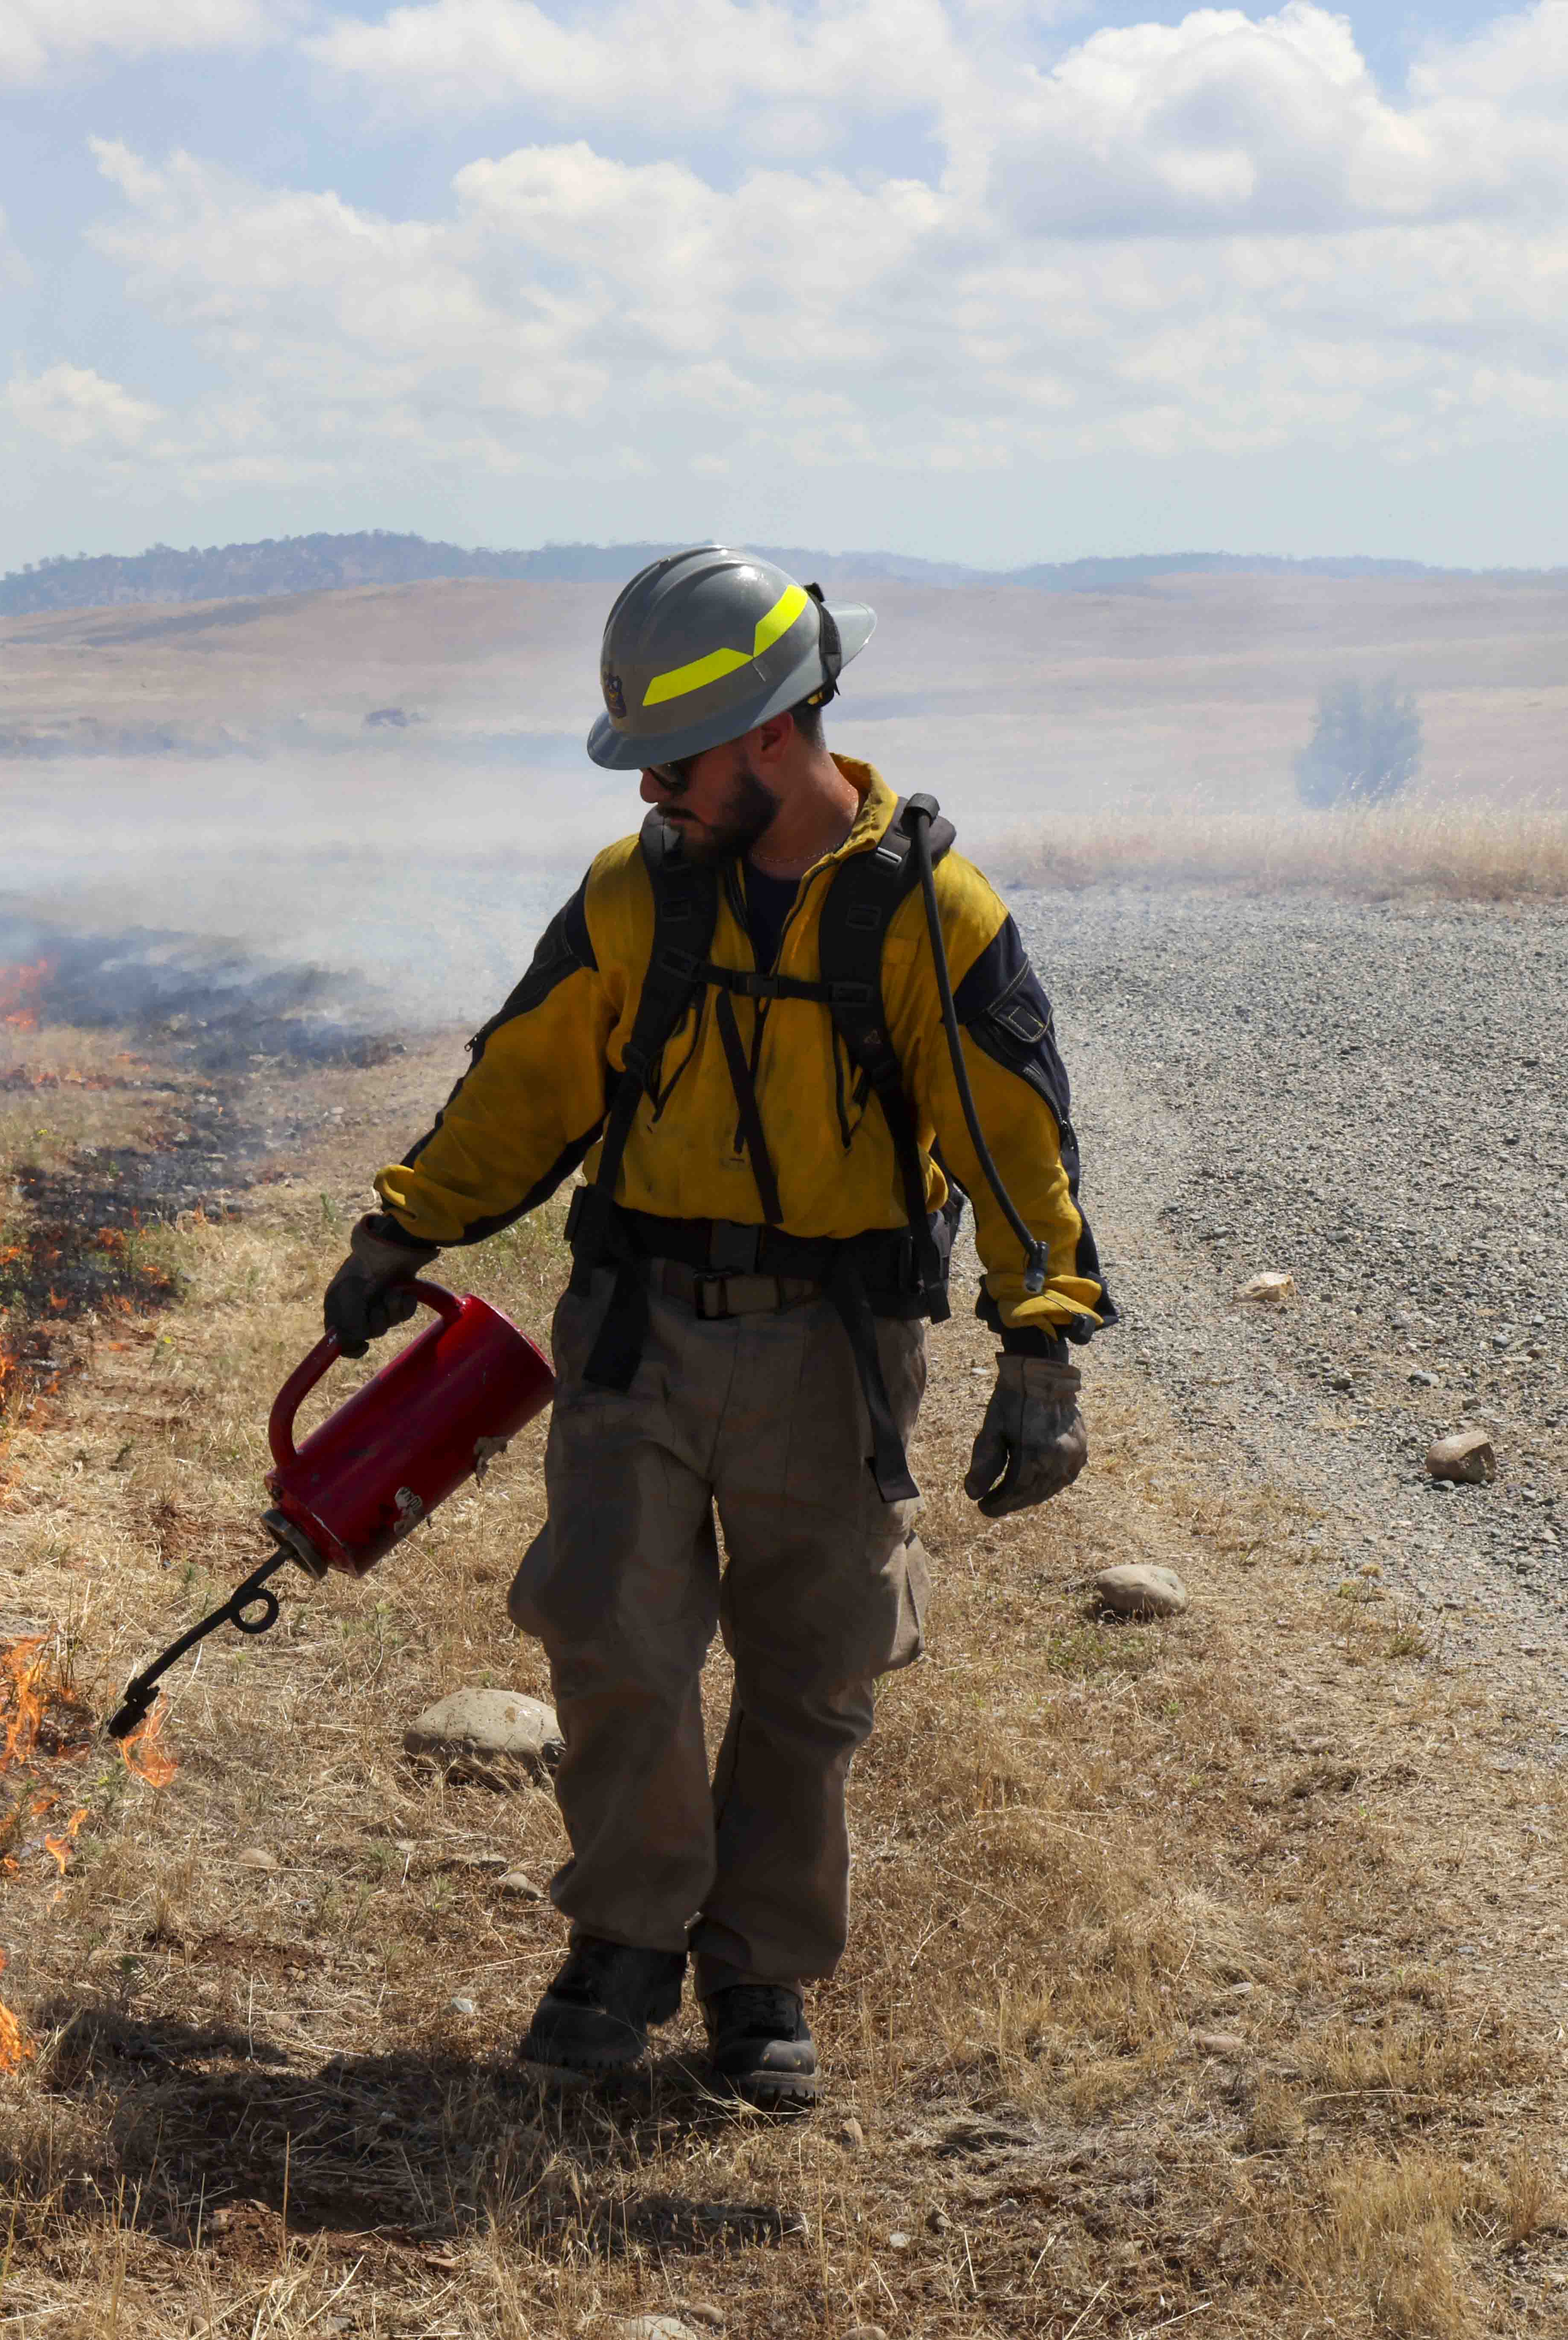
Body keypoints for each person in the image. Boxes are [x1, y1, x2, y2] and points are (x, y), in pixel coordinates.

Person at [321, 545, 1110, 2109]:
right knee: (613, 1635)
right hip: (639, 1332)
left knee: (814, 1675)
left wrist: (1042, 1345)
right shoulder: (637, 896)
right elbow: (529, 1082)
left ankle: (761, 1976)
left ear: (771, 736)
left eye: (668, 763)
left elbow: (1012, 1138)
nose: (646, 798)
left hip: (837, 1354)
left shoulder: (930, 913)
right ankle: (624, 1941)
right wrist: (400, 1224)